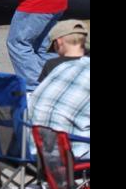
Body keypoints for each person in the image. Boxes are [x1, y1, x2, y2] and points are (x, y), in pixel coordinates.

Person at [30, 22, 90, 161]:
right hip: (71, 152)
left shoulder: (55, 66)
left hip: (36, 149)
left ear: (59, 42)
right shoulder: (85, 67)